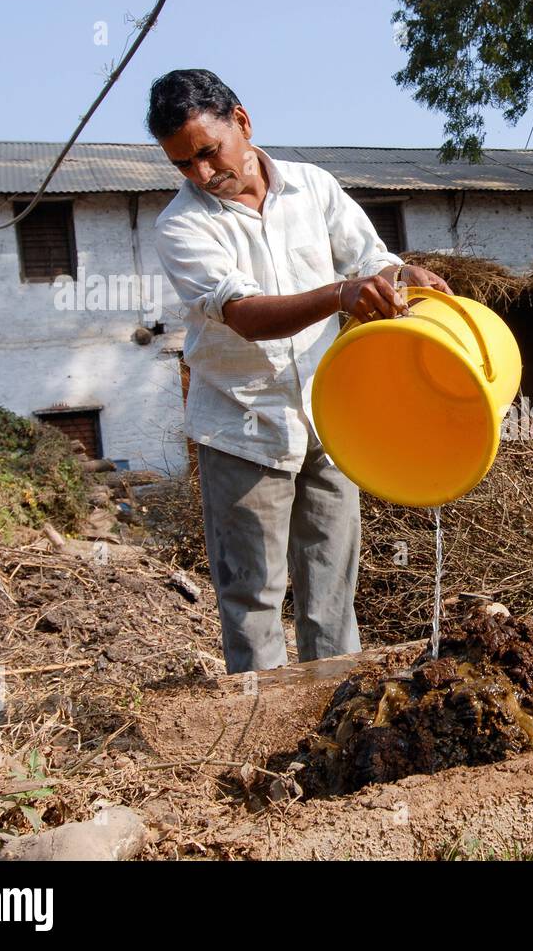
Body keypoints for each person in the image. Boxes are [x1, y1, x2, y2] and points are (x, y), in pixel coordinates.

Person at [148, 69, 451, 674]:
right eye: (184, 165)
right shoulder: (181, 225)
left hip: (330, 416)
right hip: (244, 428)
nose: (203, 174)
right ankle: (261, 741)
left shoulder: (312, 187)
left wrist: (403, 275)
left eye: (208, 152)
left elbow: (370, 261)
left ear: (242, 122)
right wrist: (342, 295)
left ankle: (335, 726)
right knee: (254, 599)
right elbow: (246, 315)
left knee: (332, 595)